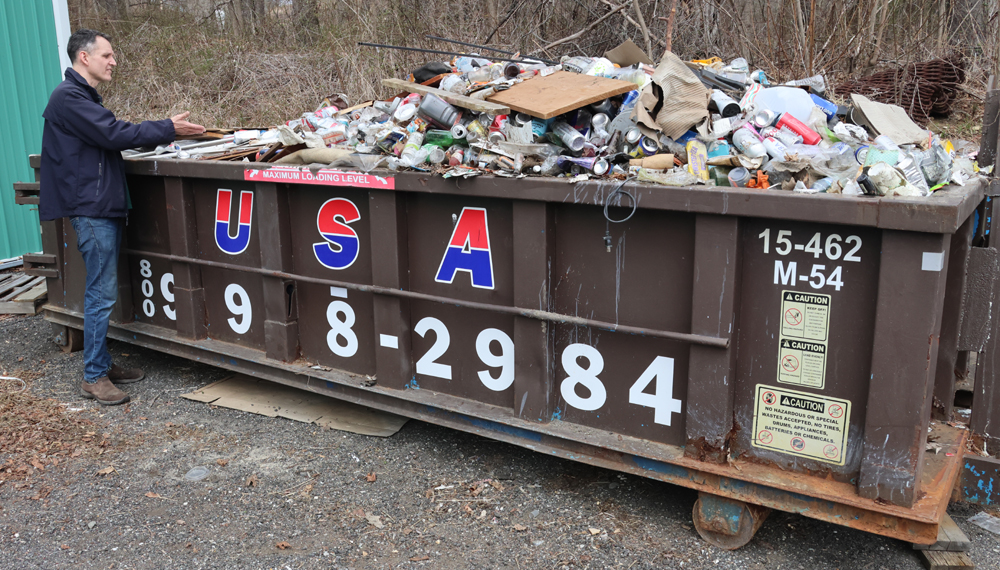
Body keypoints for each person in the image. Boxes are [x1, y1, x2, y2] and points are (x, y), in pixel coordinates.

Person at [39, 29, 205, 406]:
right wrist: (167, 128)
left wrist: (161, 133)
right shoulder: (69, 98)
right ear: (84, 57)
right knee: (100, 292)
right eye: (107, 55)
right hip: (91, 210)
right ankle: (94, 377)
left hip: (99, 206)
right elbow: (113, 133)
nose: (113, 61)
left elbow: (112, 137)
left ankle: (101, 364)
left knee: (103, 290)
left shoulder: (80, 98)